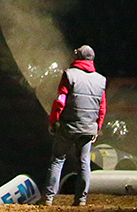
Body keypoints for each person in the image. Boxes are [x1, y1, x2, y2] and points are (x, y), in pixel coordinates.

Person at [41, 45, 108, 207]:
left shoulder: (69, 75)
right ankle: (81, 200)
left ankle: (49, 198)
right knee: (84, 163)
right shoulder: (101, 80)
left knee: (57, 160)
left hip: (68, 127)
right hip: (88, 128)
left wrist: (53, 121)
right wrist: (97, 128)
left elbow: (60, 101)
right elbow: (102, 108)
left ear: (78, 57)